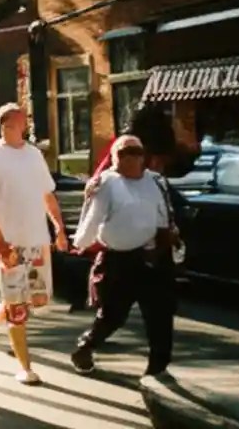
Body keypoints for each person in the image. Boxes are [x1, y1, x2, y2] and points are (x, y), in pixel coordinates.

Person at [0, 103, 68, 386]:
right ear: (4, 125)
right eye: (19, 120)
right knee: (17, 307)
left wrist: (59, 228)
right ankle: (25, 368)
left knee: (37, 298)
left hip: (37, 239)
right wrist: (0, 242)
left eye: (24, 120)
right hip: (9, 243)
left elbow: (47, 194)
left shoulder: (33, 154)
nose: (25, 125)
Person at [70, 135, 177, 377]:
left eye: (136, 152)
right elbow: (92, 219)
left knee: (160, 315)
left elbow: (165, 214)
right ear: (114, 158)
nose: (130, 158)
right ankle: (86, 346)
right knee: (112, 316)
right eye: (124, 153)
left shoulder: (156, 181)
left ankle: (157, 370)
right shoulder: (106, 184)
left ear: (143, 157)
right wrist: (80, 244)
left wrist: (170, 235)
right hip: (119, 261)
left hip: (154, 257)